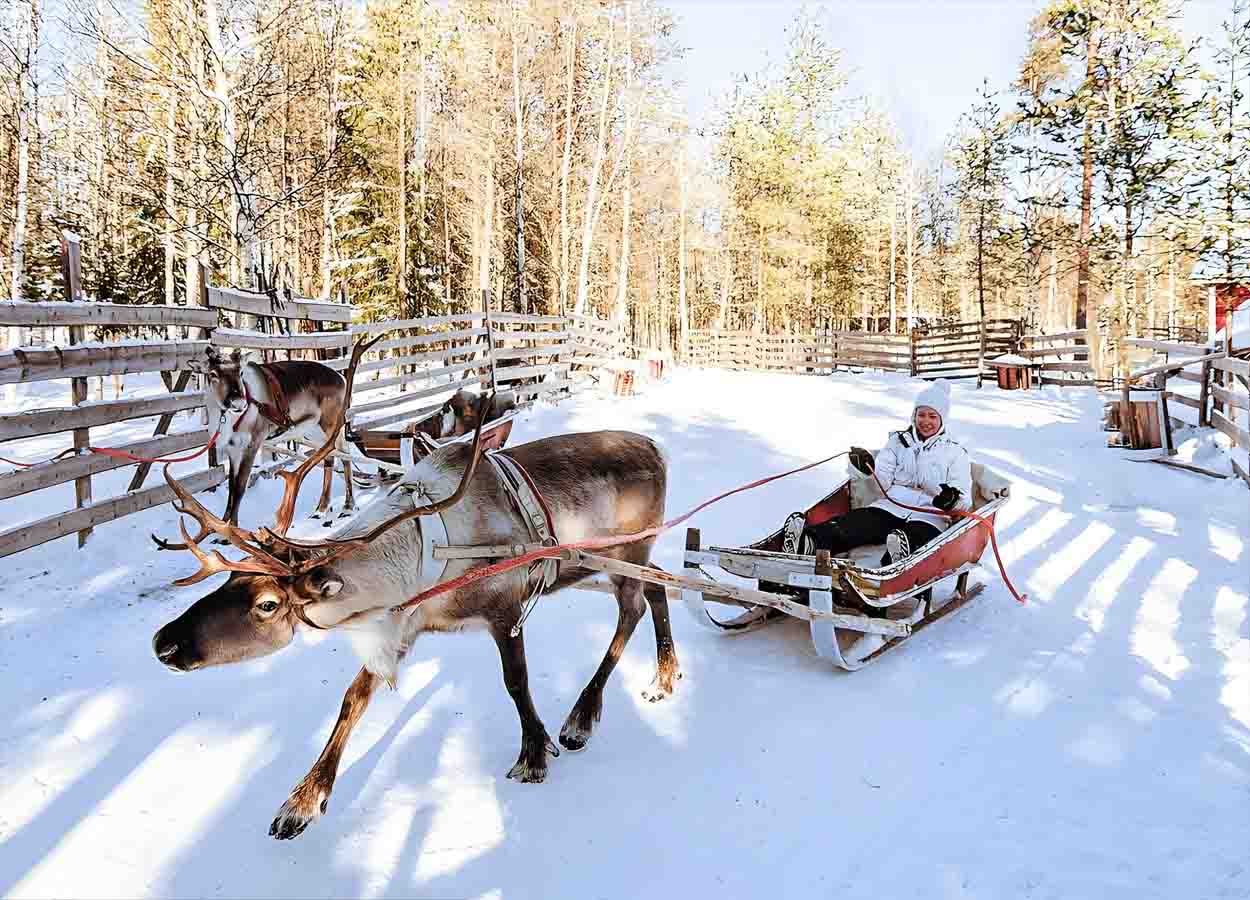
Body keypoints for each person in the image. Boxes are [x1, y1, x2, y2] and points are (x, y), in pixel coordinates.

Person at [781, 379, 972, 566]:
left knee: (917, 537)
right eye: (921, 414)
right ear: (914, 415)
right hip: (891, 505)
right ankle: (808, 542)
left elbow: (964, 501)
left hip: (929, 513)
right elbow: (882, 482)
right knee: (855, 523)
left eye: (933, 416)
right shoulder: (898, 442)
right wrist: (868, 468)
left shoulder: (955, 452)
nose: (926, 421)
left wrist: (951, 500)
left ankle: (897, 560)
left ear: (942, 419)